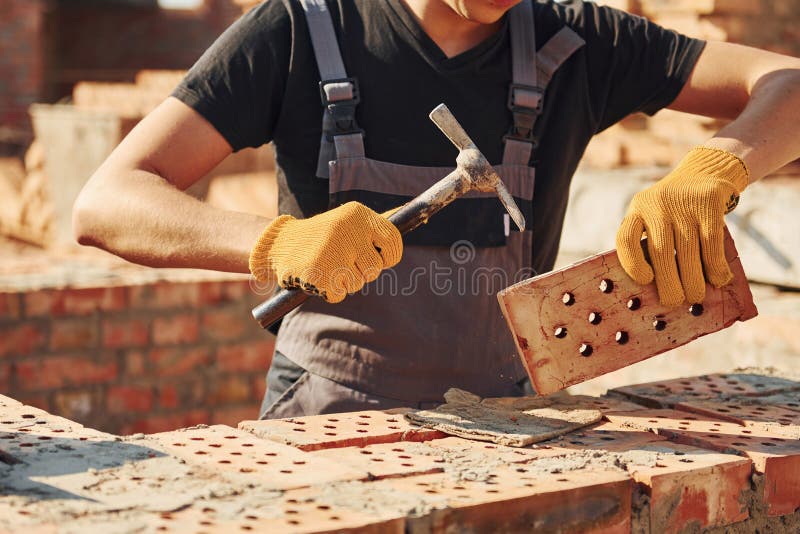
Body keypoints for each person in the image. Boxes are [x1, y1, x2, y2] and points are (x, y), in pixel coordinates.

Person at [73, 0, 800, 418]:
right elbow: (109, 200)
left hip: (509, 424)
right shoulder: (300, 30)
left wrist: (714, 168)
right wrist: (273, 244)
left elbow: (787, 83)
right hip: (326, 414)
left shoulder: (575, 41)